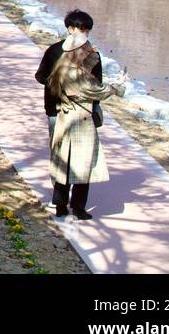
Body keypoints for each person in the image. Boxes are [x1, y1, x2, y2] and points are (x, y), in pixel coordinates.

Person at [40, 12, 126, 219]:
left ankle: (60, 205)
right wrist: (118, 85)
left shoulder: (61, 63)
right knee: (83, 164)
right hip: (80, 119)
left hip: (61, 116)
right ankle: (78, 207)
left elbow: (44, 77)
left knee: (62, 162)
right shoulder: (77, 74)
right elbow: (98, 89)